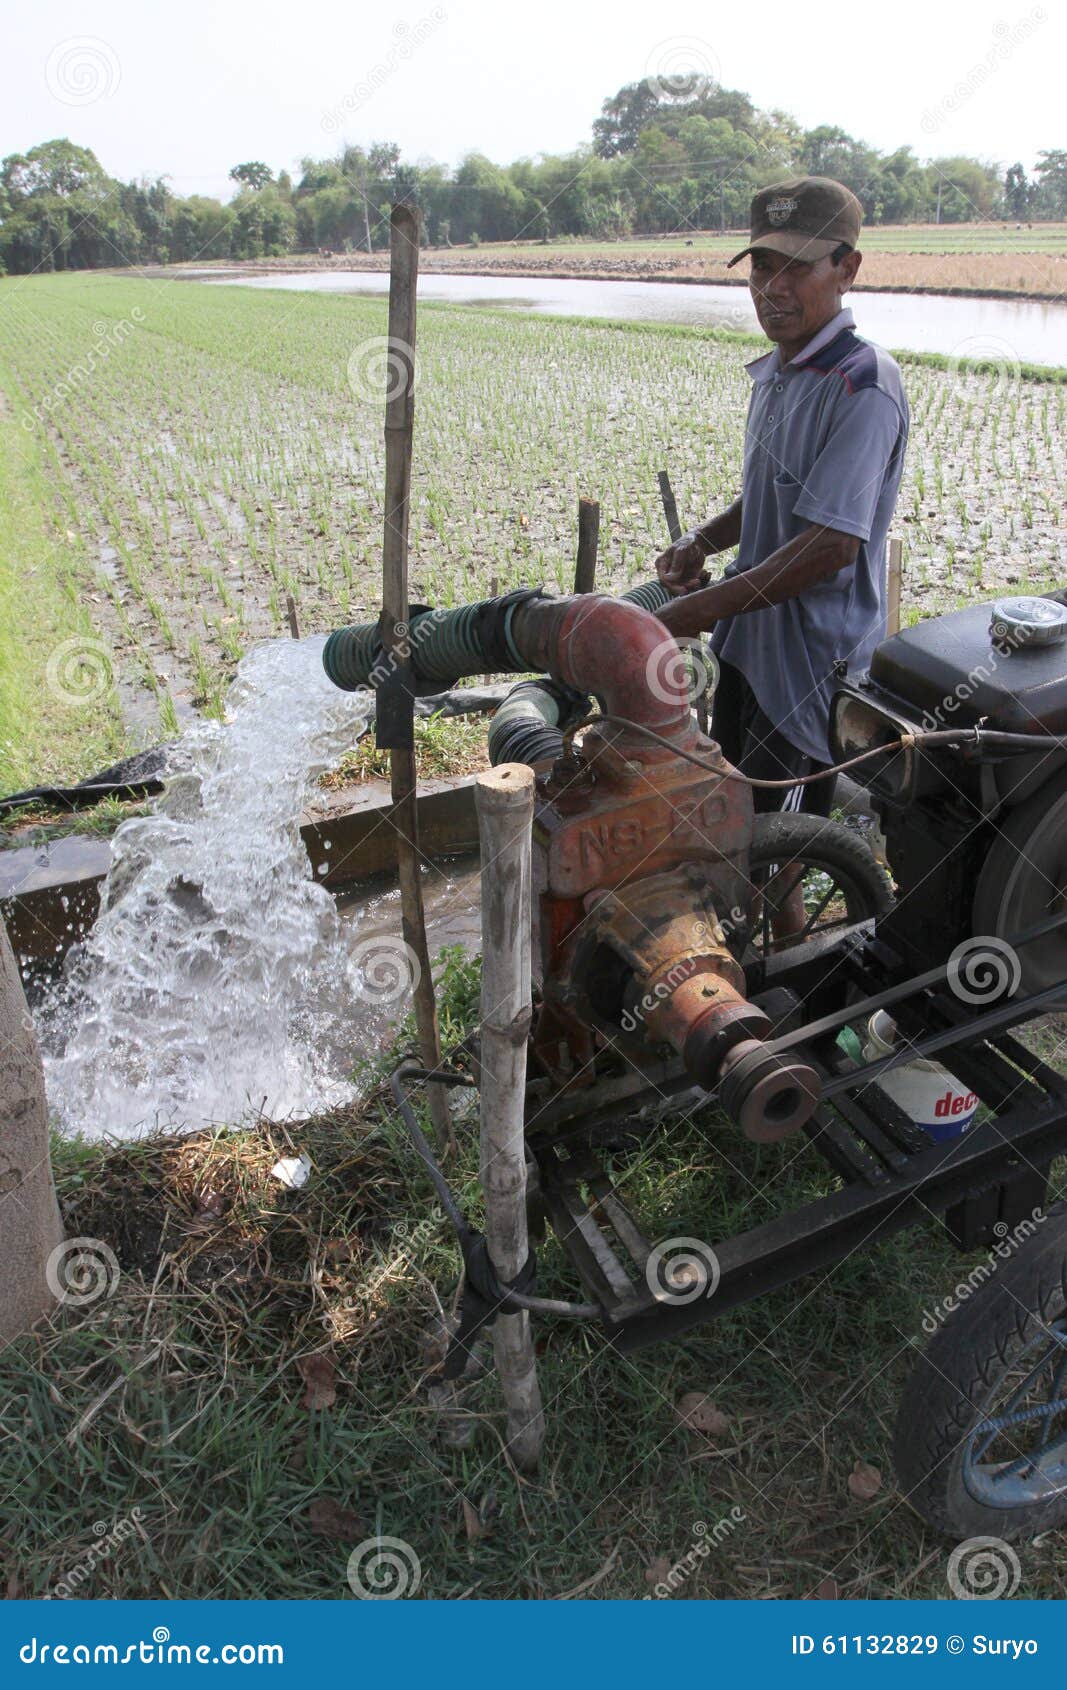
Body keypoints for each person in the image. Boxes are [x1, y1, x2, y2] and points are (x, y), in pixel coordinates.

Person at [654, 176, 910, 817]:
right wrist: (702, 540)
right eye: (763, 266)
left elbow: (830, 545)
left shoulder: (862, 384)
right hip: (750, 643)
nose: (774, 287)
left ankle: (792, 887)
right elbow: (771, 497)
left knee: (780, 838)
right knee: (734, 814)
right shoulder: (779, 373)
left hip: (808, 666)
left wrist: (688, 611)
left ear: (847, 269)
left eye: (798, 266)